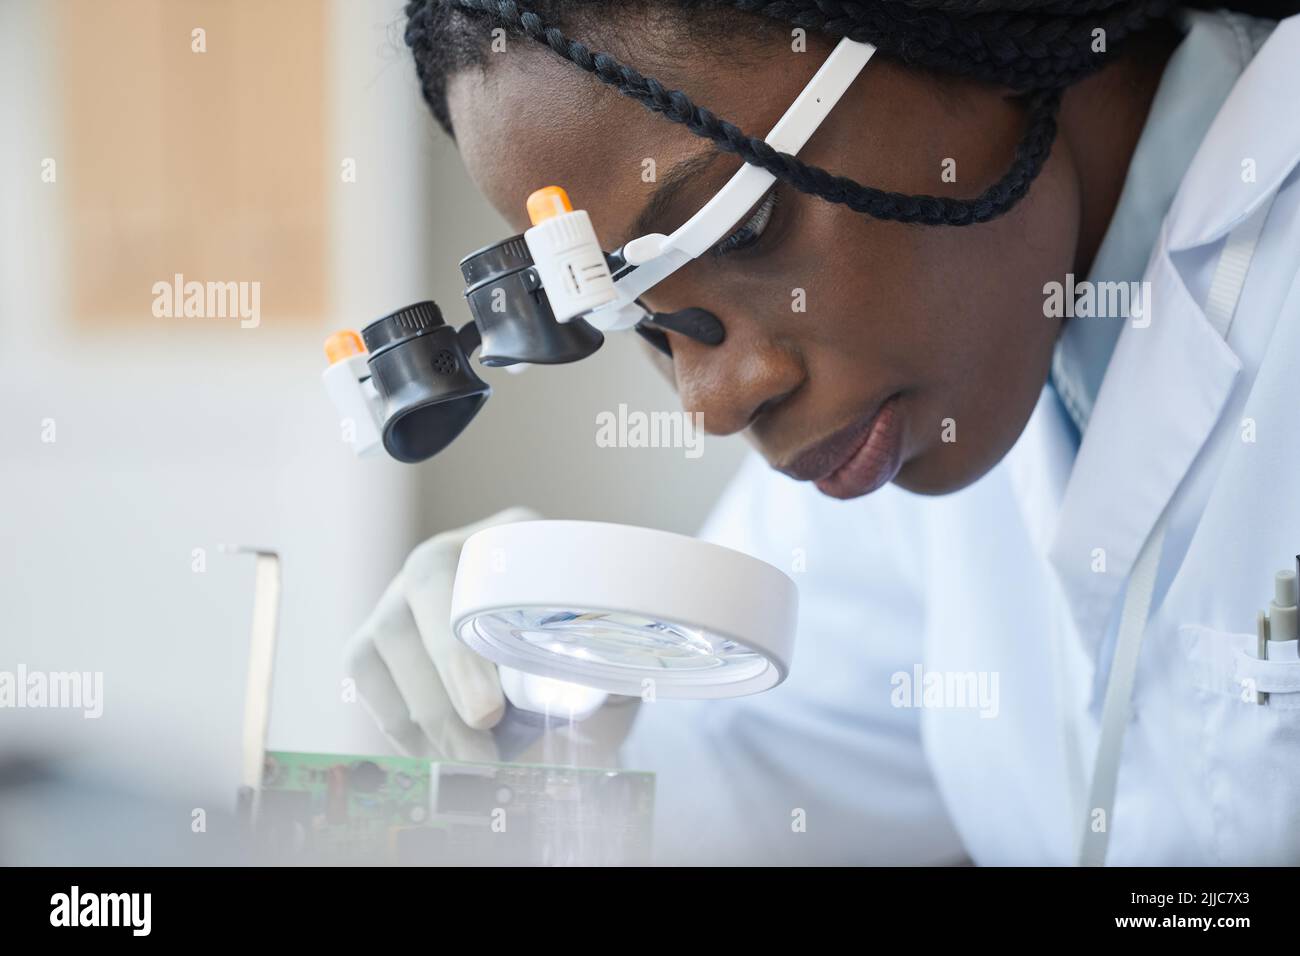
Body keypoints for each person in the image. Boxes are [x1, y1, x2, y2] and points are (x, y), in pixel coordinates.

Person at [347, 0, 1300, 864]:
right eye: (636, 314)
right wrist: (558, 702)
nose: (710, 403)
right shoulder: (903, 424)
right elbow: (749, 788)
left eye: (747, 228)